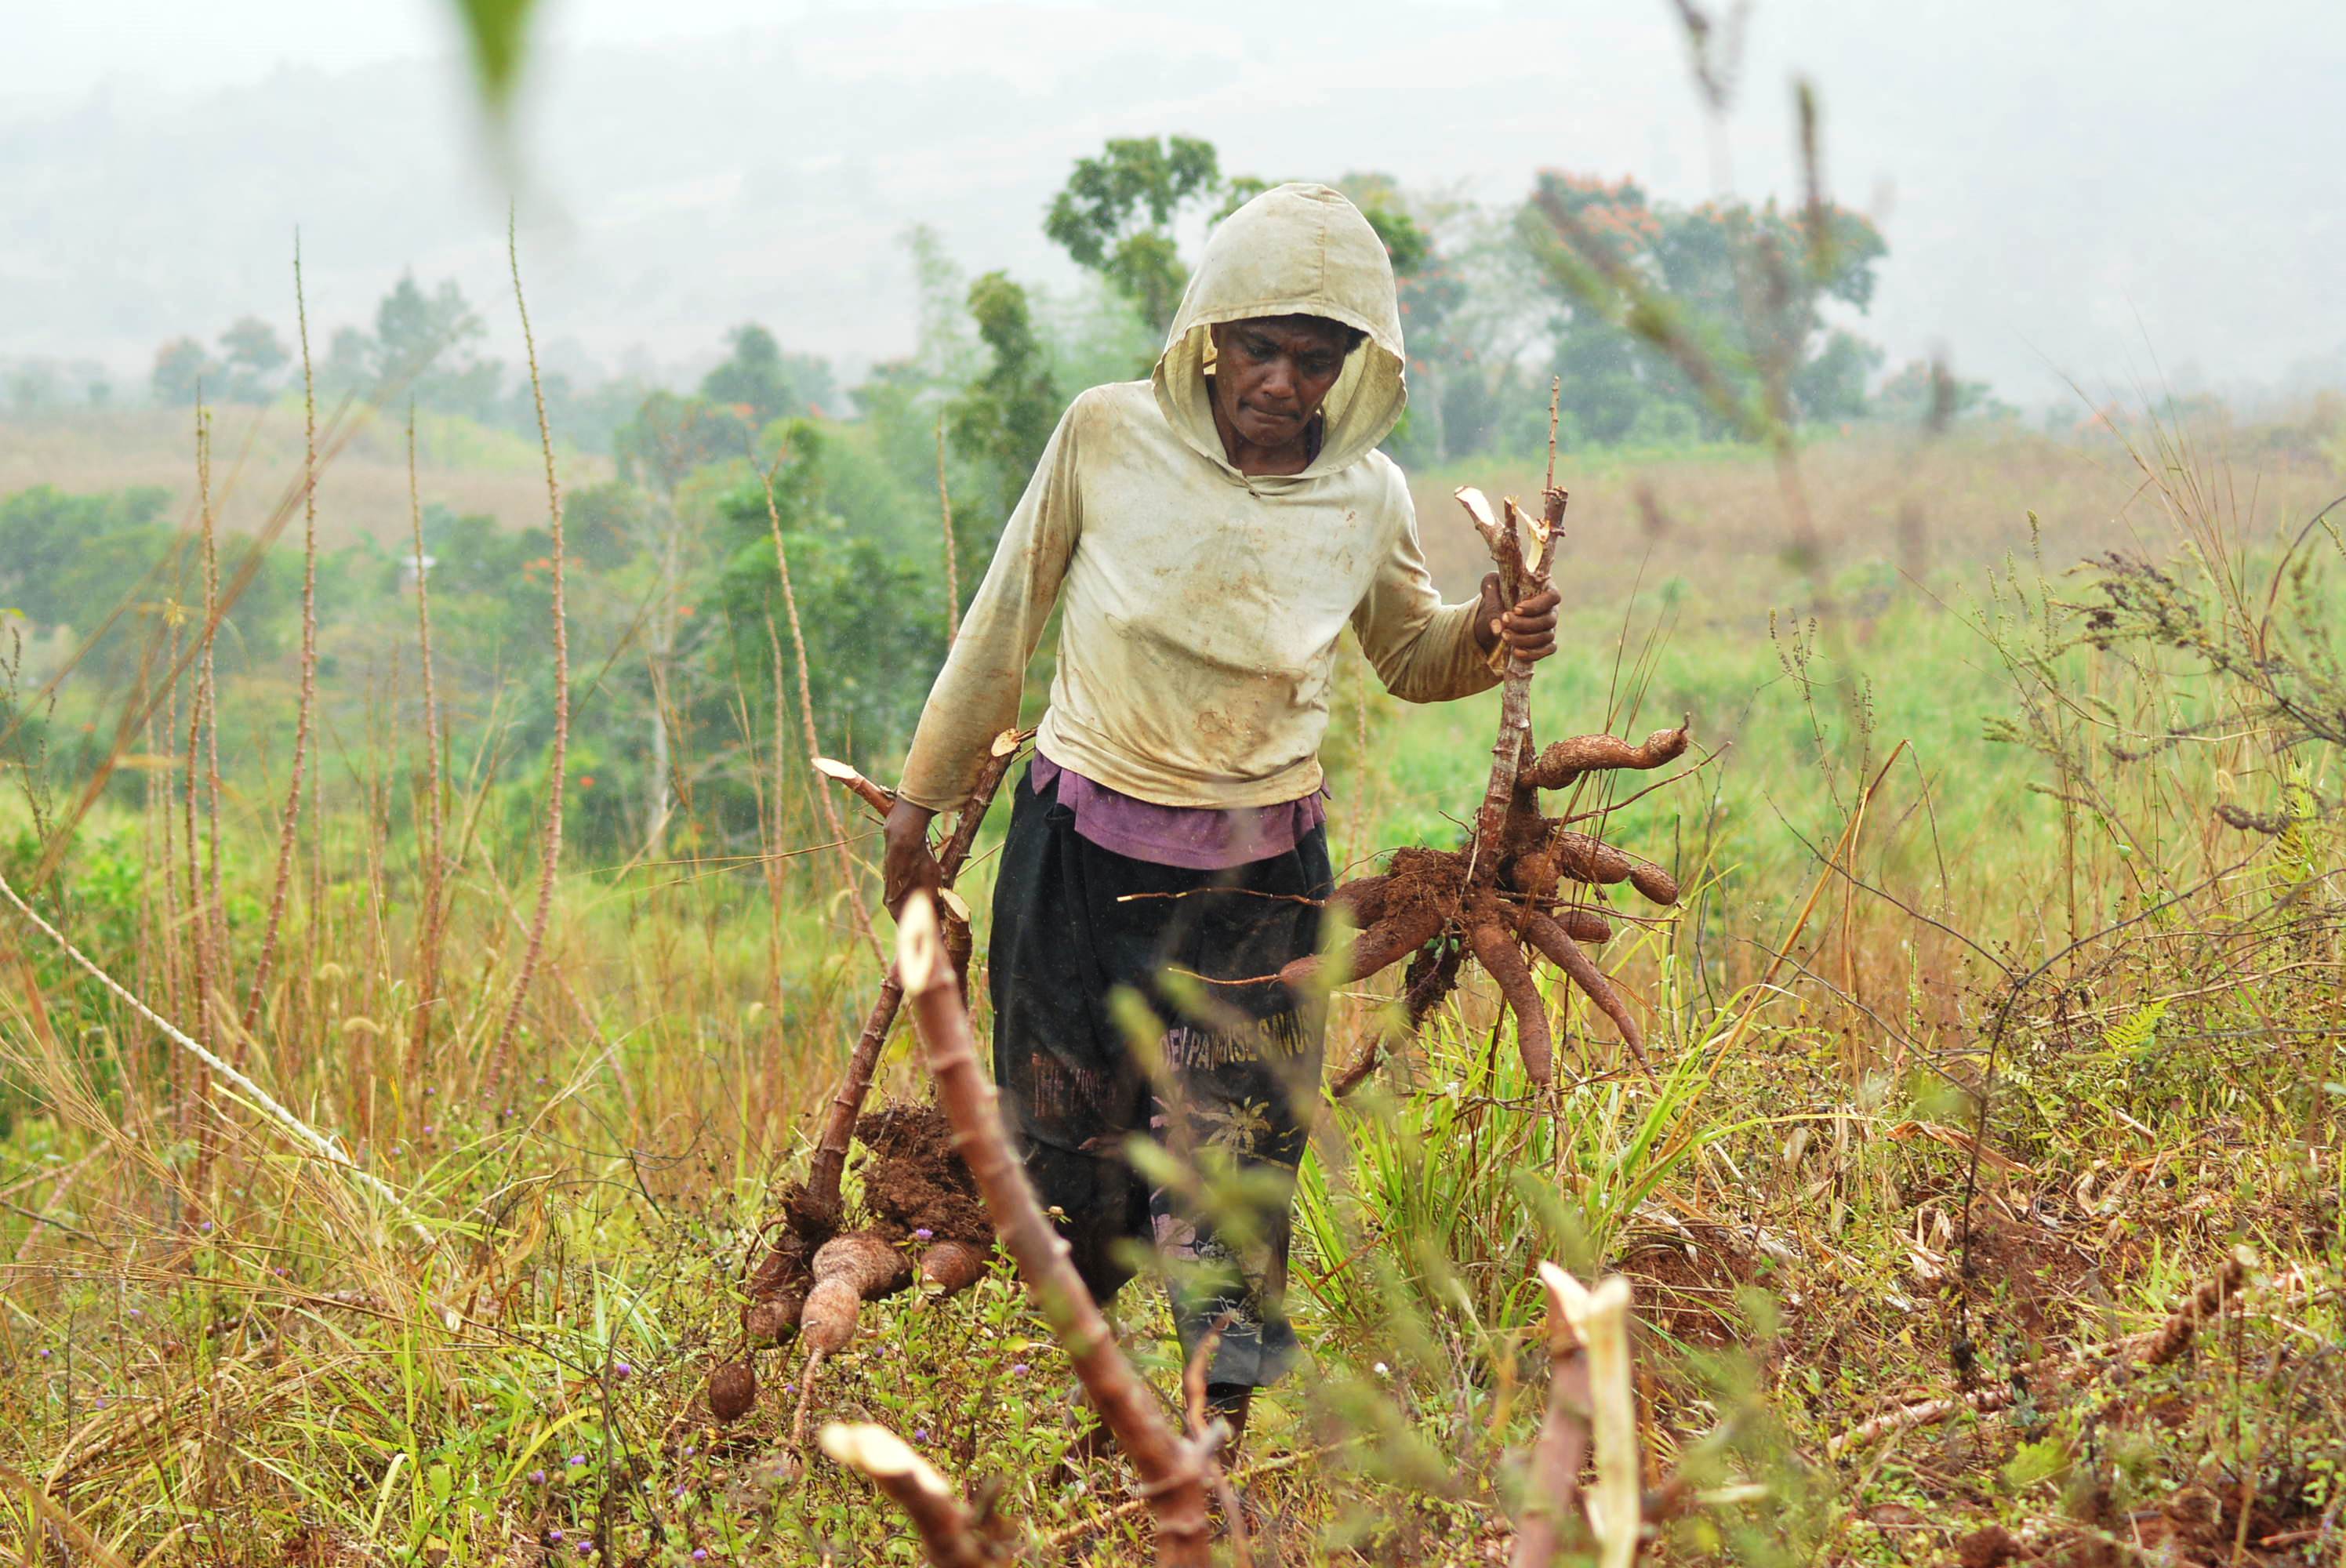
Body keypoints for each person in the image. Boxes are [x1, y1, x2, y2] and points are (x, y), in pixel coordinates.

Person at [881, 182, 1558, 1457]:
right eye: (1261, 350)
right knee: (1064, 1153)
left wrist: (1499, 631)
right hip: (1076, 860)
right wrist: (918, 809)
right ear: (1210, 338)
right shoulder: (1105, 437)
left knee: (1237, 1172)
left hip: (1258, 889)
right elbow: (1003, 623)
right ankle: (1096, 1402)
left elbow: (1414, 656)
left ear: (1354, 369)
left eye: (1316, 361)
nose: (1283, 386)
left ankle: (1212, 1434)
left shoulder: (1365, 497)